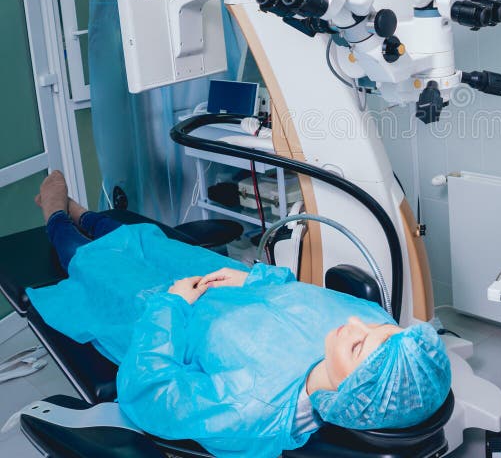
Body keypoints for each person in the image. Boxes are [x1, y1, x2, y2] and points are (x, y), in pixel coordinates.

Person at [28, 172, 451, 458]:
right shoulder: (367, 323)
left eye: (359, 344)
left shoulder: (249, 409)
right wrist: (253, 280)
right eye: (378, 328)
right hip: (222, 287)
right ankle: (88, 214)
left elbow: (147, 393)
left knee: (95, 265)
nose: (355, 325)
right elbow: (299, 295)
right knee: (151, 241)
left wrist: (170, 305)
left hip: (164, 314)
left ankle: (57, 216)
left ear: (349, 392)